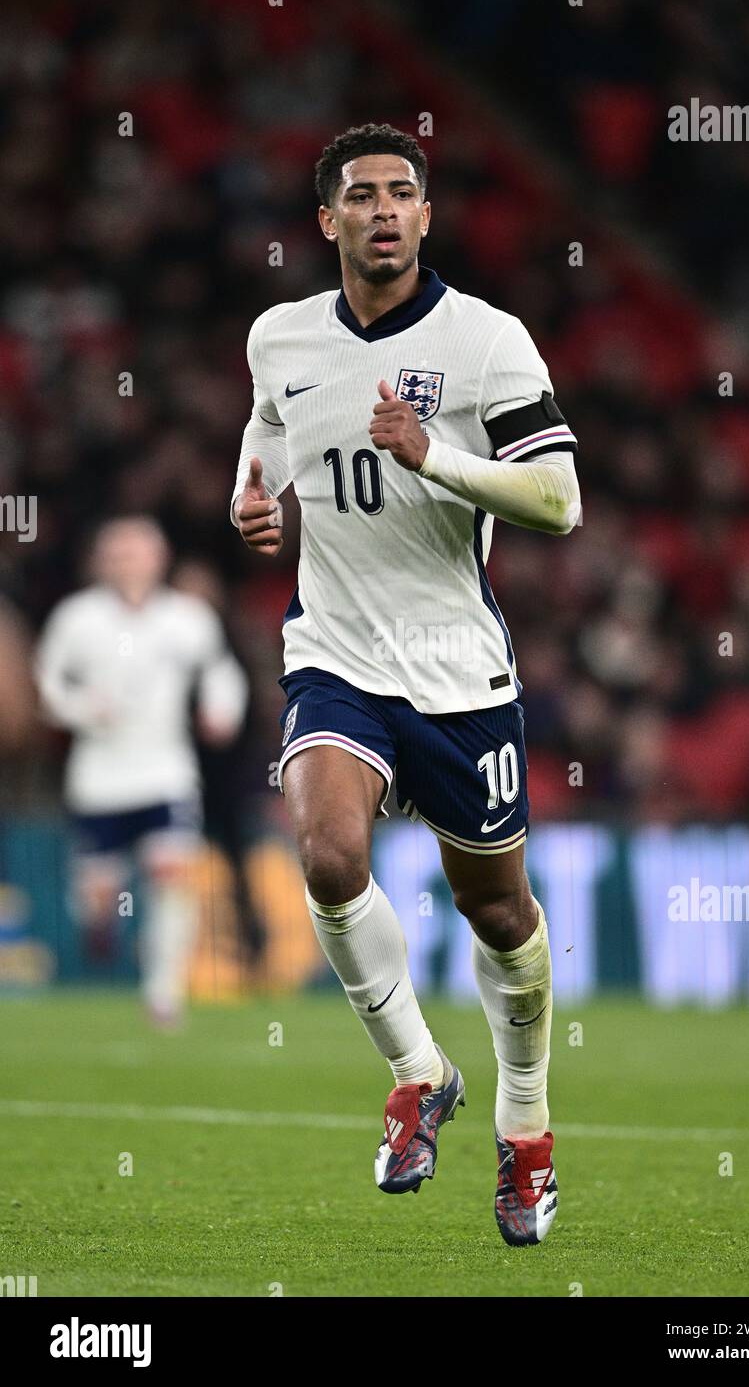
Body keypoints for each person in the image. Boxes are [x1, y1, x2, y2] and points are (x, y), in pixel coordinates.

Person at [232, 123, 581, 1245]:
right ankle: (419, 1073)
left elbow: (560, 502)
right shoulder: (280, 337)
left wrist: (438, 458)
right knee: (329, 855)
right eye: (361, 196)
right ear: (326, 220)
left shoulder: (486, 343)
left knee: (497, 909)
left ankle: (524, 1131)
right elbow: (272, 426)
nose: (383, 210)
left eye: (402, 193)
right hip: (335, 651)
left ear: (427, 217)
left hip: (456, 669)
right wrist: (254, 495)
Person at [35, 517, 248, 1027]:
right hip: (99, 778)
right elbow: (46, 685)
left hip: (165, 773)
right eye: (119, 554)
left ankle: (163, 990)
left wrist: (222, 711)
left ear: (160, 559)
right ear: (102, 562)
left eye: (138, 553)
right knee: (99, 898)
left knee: (171, 877)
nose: (129, 564)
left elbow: (221, 671)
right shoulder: (76, 619)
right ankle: (100, 926)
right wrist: (82, 708)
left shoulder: (187, 618)